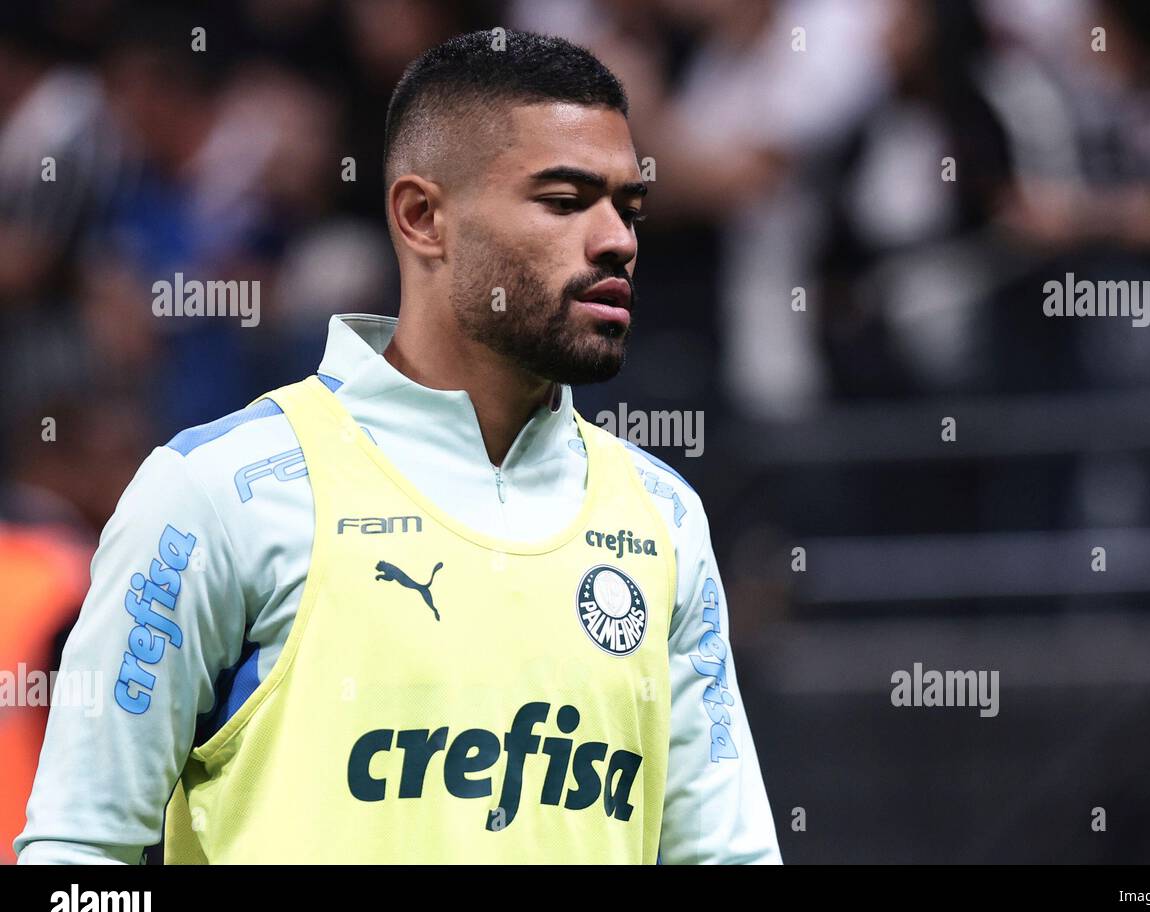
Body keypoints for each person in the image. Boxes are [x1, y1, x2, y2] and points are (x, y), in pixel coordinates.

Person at [15, 29, 781, 864]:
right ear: (422, 217)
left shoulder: (663, 517)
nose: (618, 241)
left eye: (628, 209)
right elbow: (77, 863)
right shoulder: (219, 493)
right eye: (565, 201)